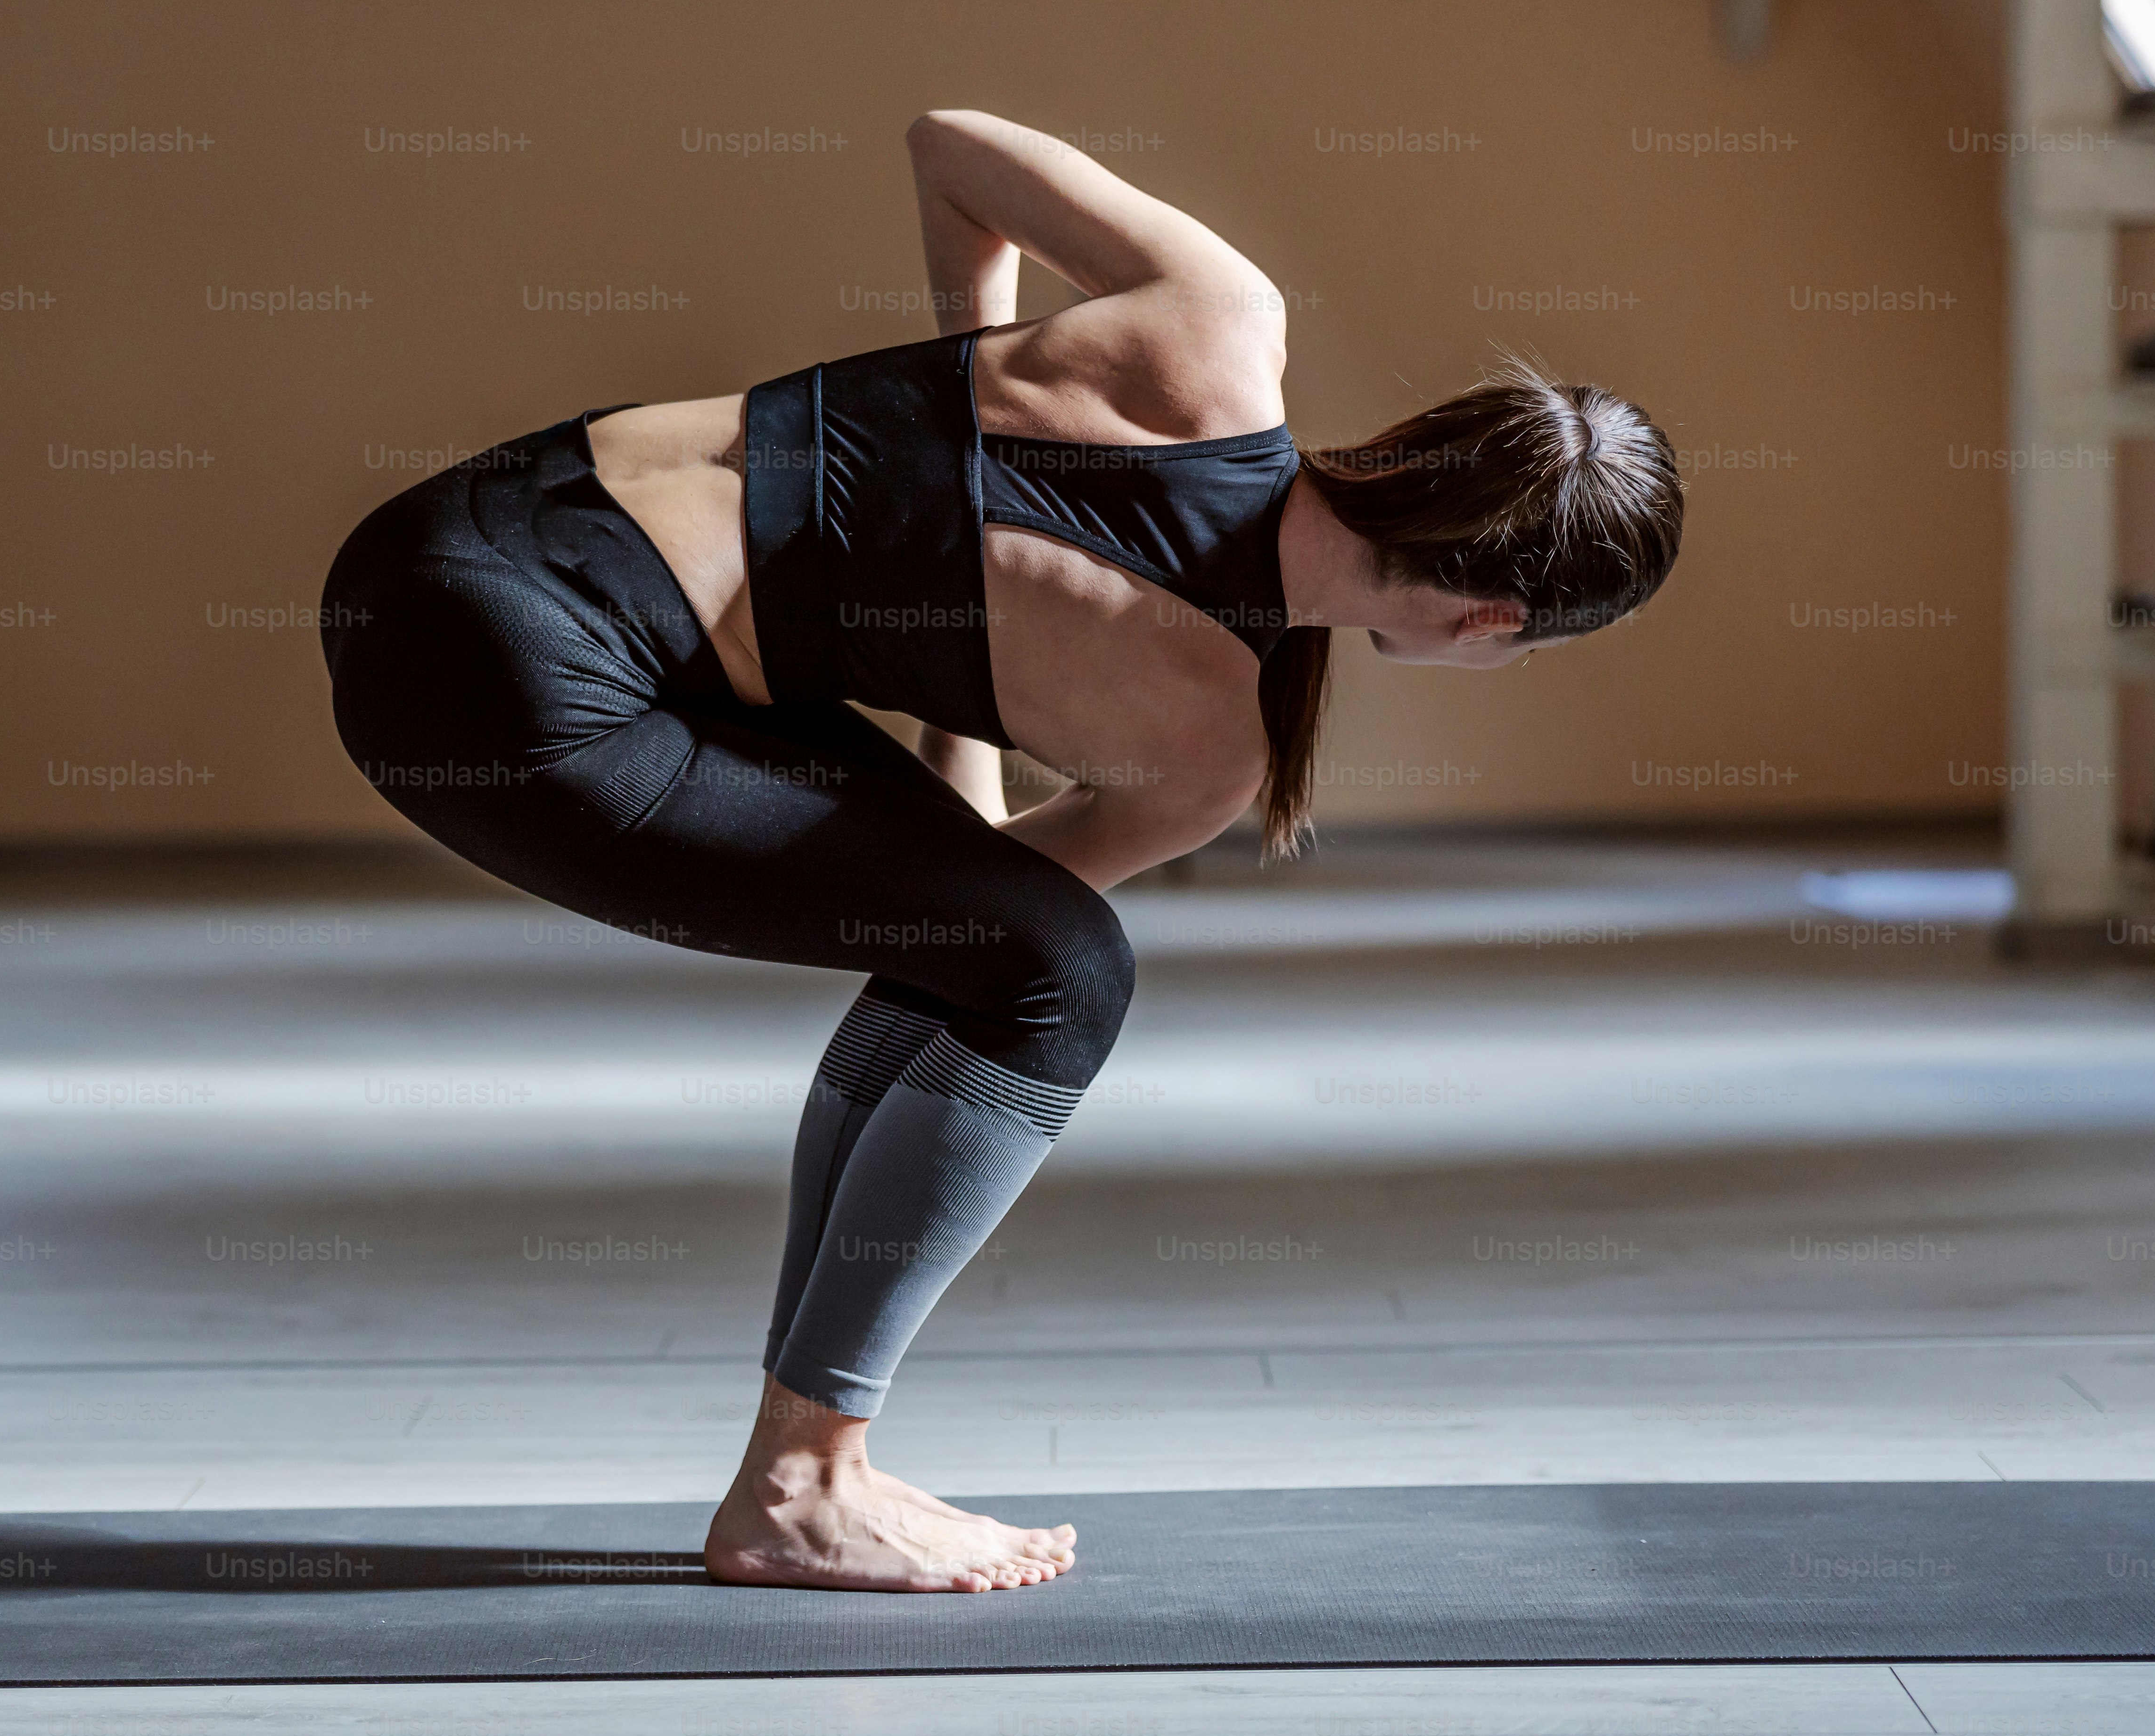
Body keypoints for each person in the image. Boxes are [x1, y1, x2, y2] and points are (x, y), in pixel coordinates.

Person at [321, 109, 1683, 1592]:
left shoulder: (1216, 322)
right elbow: (997, 935)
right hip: (525, 699)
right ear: (1491, 622)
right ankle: (798, 1479)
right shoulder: (1203, 749)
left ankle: (811, 1457)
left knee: (998, 953)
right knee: (1066, 966)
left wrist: (974, 375)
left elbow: (948, 143)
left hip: (444, 546)